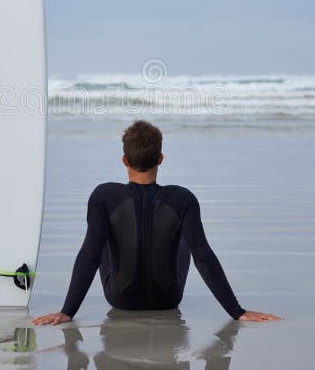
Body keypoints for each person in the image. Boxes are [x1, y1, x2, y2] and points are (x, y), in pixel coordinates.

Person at [32, 119, 282, 325]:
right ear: (160, 158)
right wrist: (236, 311)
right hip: (168, 299)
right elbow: (204, 257)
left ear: (124, 160)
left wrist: (67, 311)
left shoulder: (103, 196)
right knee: (186, 232)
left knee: (100, 237)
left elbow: (89, 256)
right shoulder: (183, 198)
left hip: (121, 299)